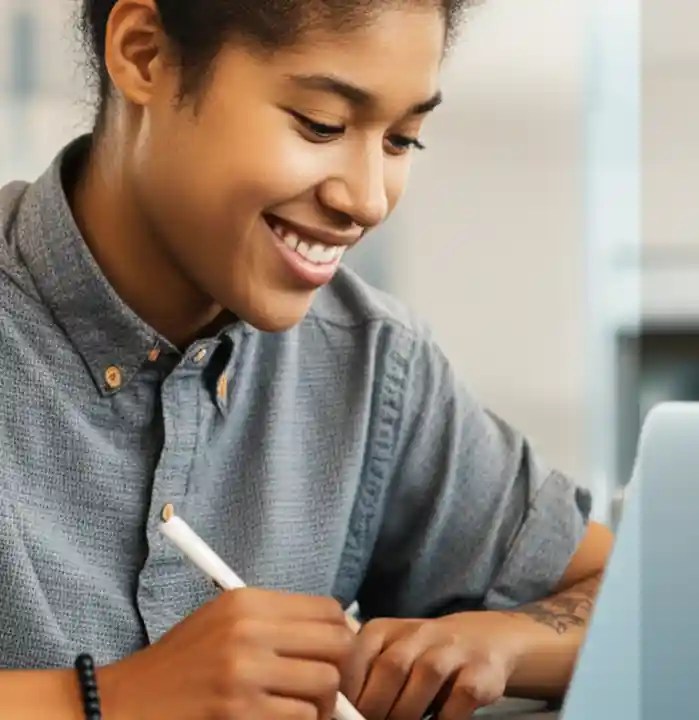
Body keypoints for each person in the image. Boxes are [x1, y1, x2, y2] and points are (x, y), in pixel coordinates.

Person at [0, 0, 613, 717]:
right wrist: (111, 702)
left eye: (401, 140)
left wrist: (504, 641)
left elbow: (631, 592)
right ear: (144, 55)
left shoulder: (371, 367)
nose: (369, 198)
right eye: (321, 124)